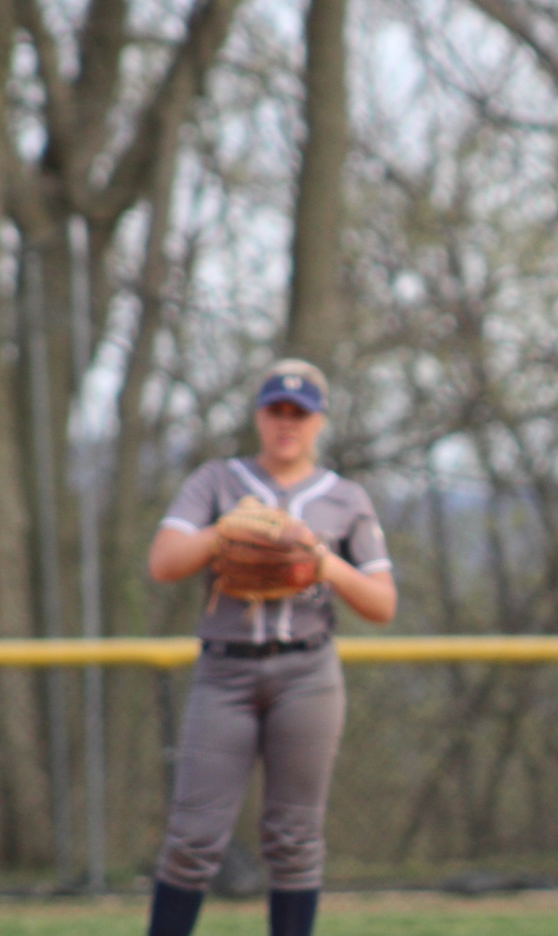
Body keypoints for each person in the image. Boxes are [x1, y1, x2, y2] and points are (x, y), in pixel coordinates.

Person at [144, 360, 396, 936]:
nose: (287, 422)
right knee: (192, 839)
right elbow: (163, 562)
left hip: (308, 673)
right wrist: (225, 531)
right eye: (276, 410)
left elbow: (383, 603)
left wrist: (322, 560)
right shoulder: (218, 481)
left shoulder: (345, 497)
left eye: (299, 413)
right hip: (225, 671)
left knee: (294, 841)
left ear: (319, 421)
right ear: (259, 415)